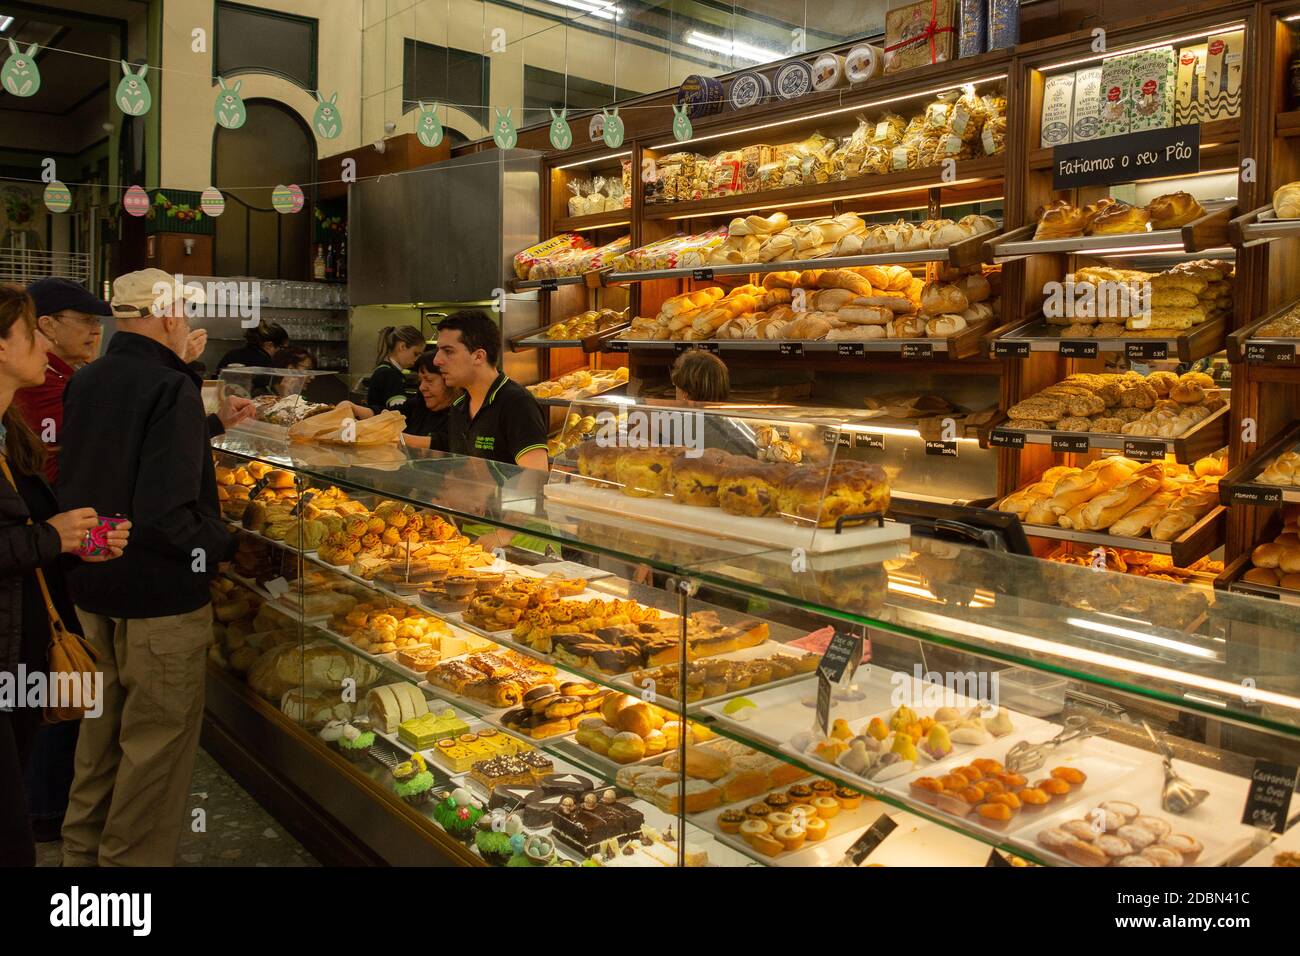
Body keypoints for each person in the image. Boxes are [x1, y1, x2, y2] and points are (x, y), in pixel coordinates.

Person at [57, 268, 254, 867]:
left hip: (93, 586)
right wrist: (226, 543)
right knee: (154, 751)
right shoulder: (170, 388)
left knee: (98, 741)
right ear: (169, 316)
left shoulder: (87, 379)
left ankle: (80, 864)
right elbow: (167, 516)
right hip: (159, 598)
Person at [0, 285, 129, 867]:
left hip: (24, 645)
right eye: (30, 331)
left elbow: (28, 522)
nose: (43, 345)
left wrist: (77, 546)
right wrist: (52, 536)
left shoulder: (11, 430)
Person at [13, 279, 112, 485]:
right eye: (87, 319)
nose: (96, 330)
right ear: (48, 325)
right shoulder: (39, 385)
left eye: (96, 320)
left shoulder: (62, 375)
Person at [433, 310, 548, 471]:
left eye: (448, 351)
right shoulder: (459, 407)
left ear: (479, 356)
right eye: (438, 350)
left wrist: (488, 493)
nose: (437, 360)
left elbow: (534, 478)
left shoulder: (517, 404)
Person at [342, 351, 458, 450]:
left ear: (448, 381)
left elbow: (442, 444)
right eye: (420, 381)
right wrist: (353, 408)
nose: (422, 387)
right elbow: (388, 414)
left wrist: (392, 436)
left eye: (429, 380)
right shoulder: (417, 405)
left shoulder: (460, 415)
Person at [366, 325, 425, 413]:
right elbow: (399, 412)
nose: (416, 359)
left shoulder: (383, 369)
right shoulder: (390, 374)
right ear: (402, 347)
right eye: (415, 354)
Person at [215, 320, 287, 372]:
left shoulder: (231, 354)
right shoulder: (267, 364)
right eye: (281, 348)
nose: (282, 352)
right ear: (269, 345)